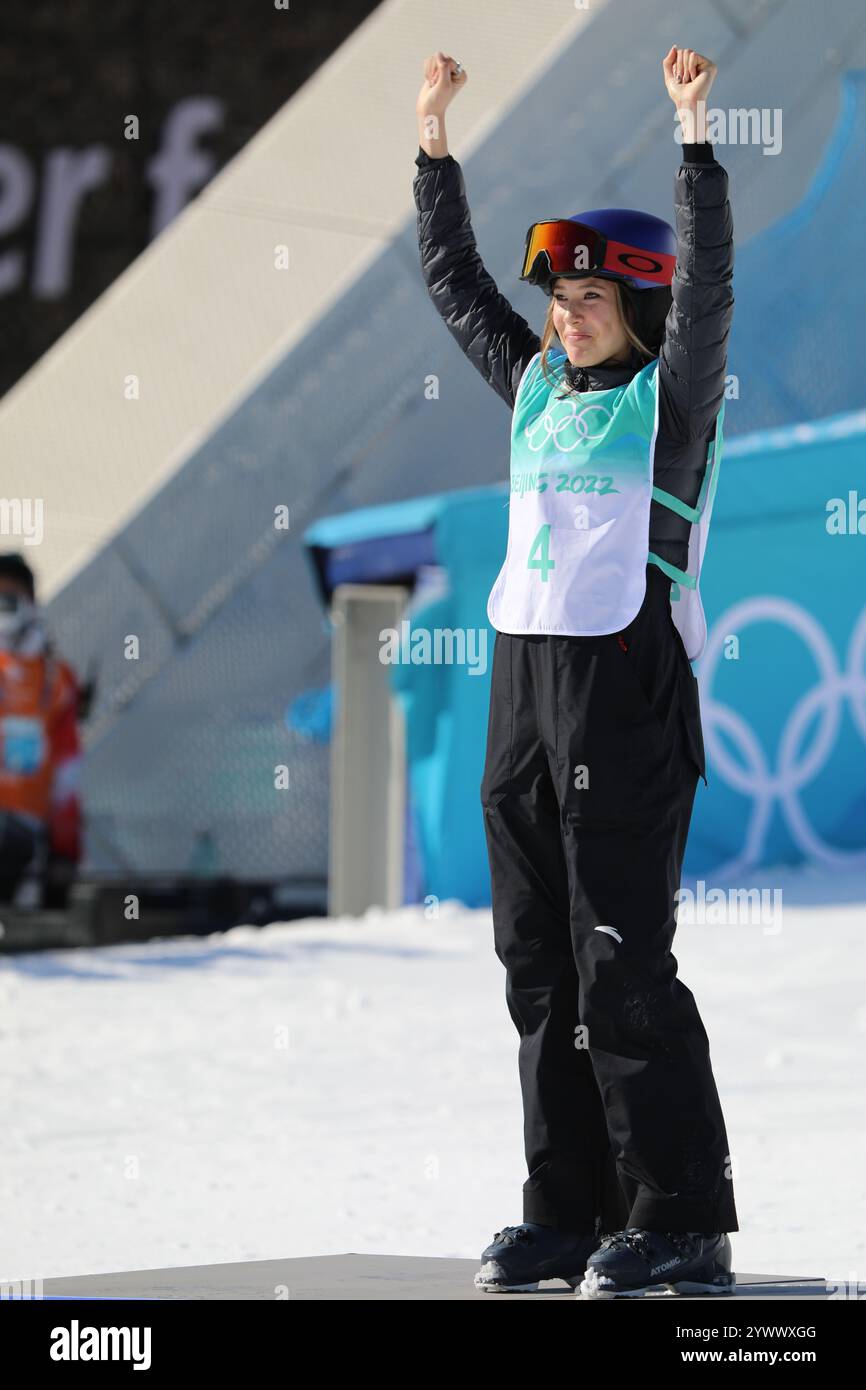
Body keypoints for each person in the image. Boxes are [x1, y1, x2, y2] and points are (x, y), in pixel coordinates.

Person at [414, 47, 738, 1298]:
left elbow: (709, 290)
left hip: (626, 690)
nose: (565, 308)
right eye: (558, 293)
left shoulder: (671, 401)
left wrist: (692, 138)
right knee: (538, 962)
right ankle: (568, 1207)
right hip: (525, 693)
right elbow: (454, 285)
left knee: (621, 958)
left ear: (637, 305)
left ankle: (679, 1214)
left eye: (592, 292)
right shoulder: (536, 388)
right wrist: (434, 144)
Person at [0, 553, 82, 905]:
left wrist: (65, 850)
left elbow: (67, 771)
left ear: (31, 601)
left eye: (11, 596)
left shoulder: (55, 678)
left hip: (23, 830)